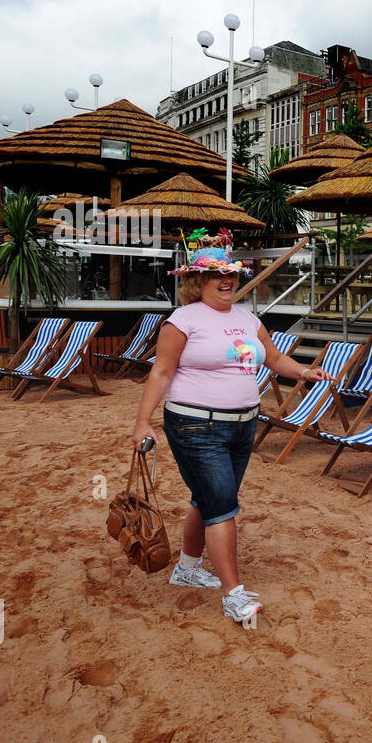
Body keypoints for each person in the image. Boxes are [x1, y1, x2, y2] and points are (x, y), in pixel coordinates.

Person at [131, 247, 332, 624]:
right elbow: (161, 372)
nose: (227, 280)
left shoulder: (247, 317)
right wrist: (143, 422)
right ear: (198, 281)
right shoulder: (183, 320)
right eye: (217, 274)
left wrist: (304, 372)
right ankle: (233, 596)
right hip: (195, 424)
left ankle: (188, 567)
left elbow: (272, 358)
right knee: (222, 506)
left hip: (244, 424)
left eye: (233, 274)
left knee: (208, 498)